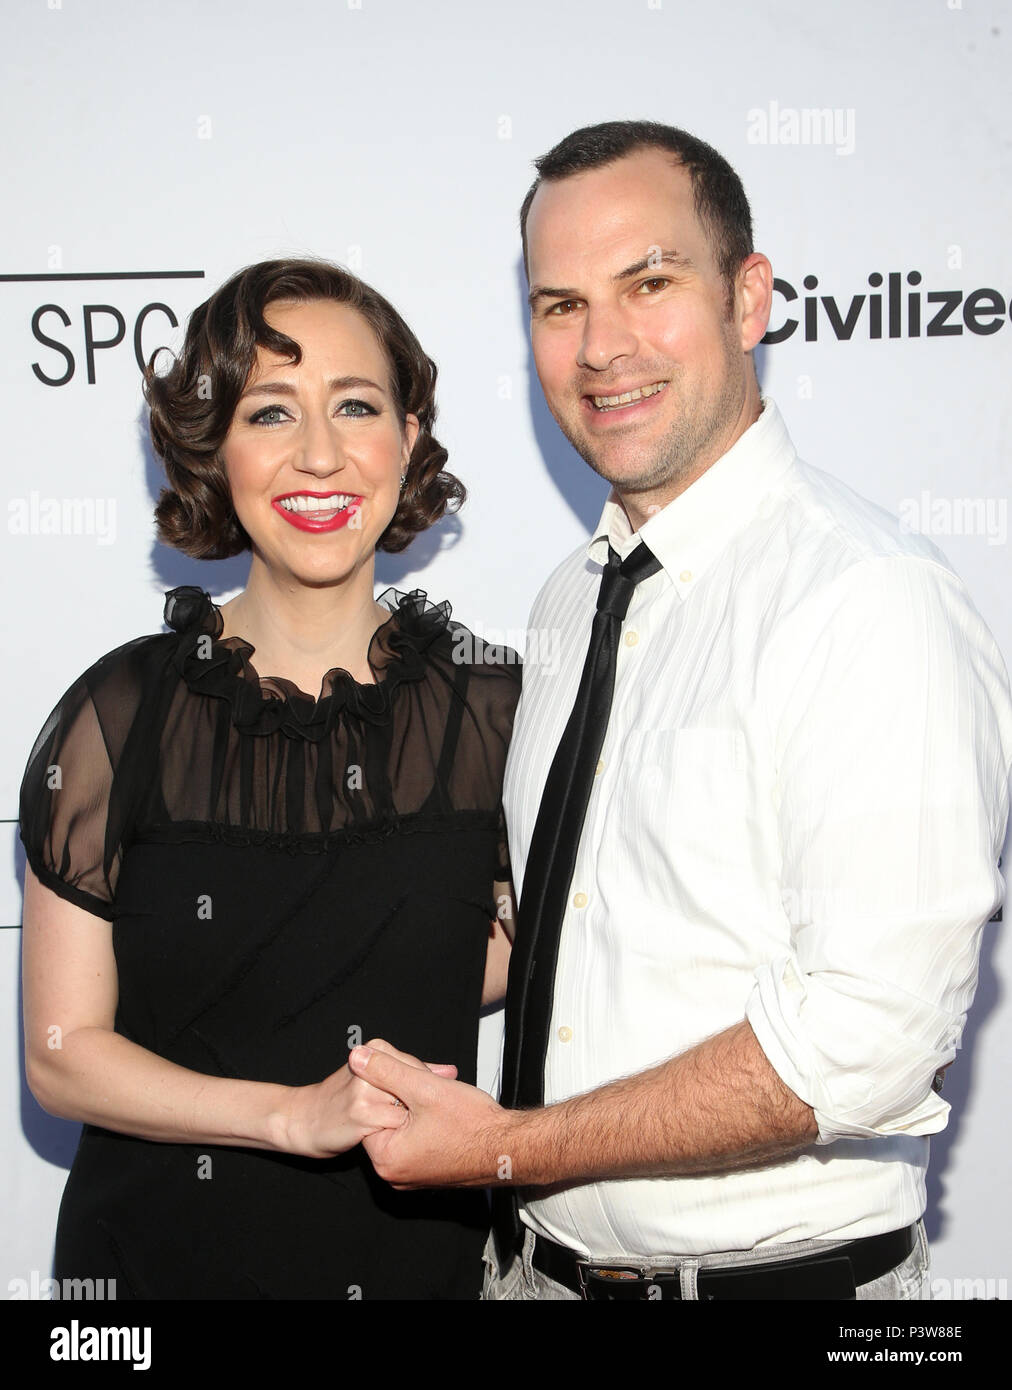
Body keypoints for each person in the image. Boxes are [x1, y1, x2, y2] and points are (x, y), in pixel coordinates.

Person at [345, 121, 1012, 1300]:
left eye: (647, 284)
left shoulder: (865, 598)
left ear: (747, 299)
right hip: (532, 1275)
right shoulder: (570, 597)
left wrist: (502, 1145)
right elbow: (568, 934)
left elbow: (859, 1044)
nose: (602, 347)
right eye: (559, 306)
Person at [19, 257, 520, 1300]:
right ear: (214, 451)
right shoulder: (124, 714)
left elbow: (510, 949)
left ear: (408, 442)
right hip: (156, 1272)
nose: (322, 456)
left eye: (356, 406)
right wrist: (290, 1115)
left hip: (415, 1263)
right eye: (272, 413)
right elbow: (62, 1054)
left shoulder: (497, 709)